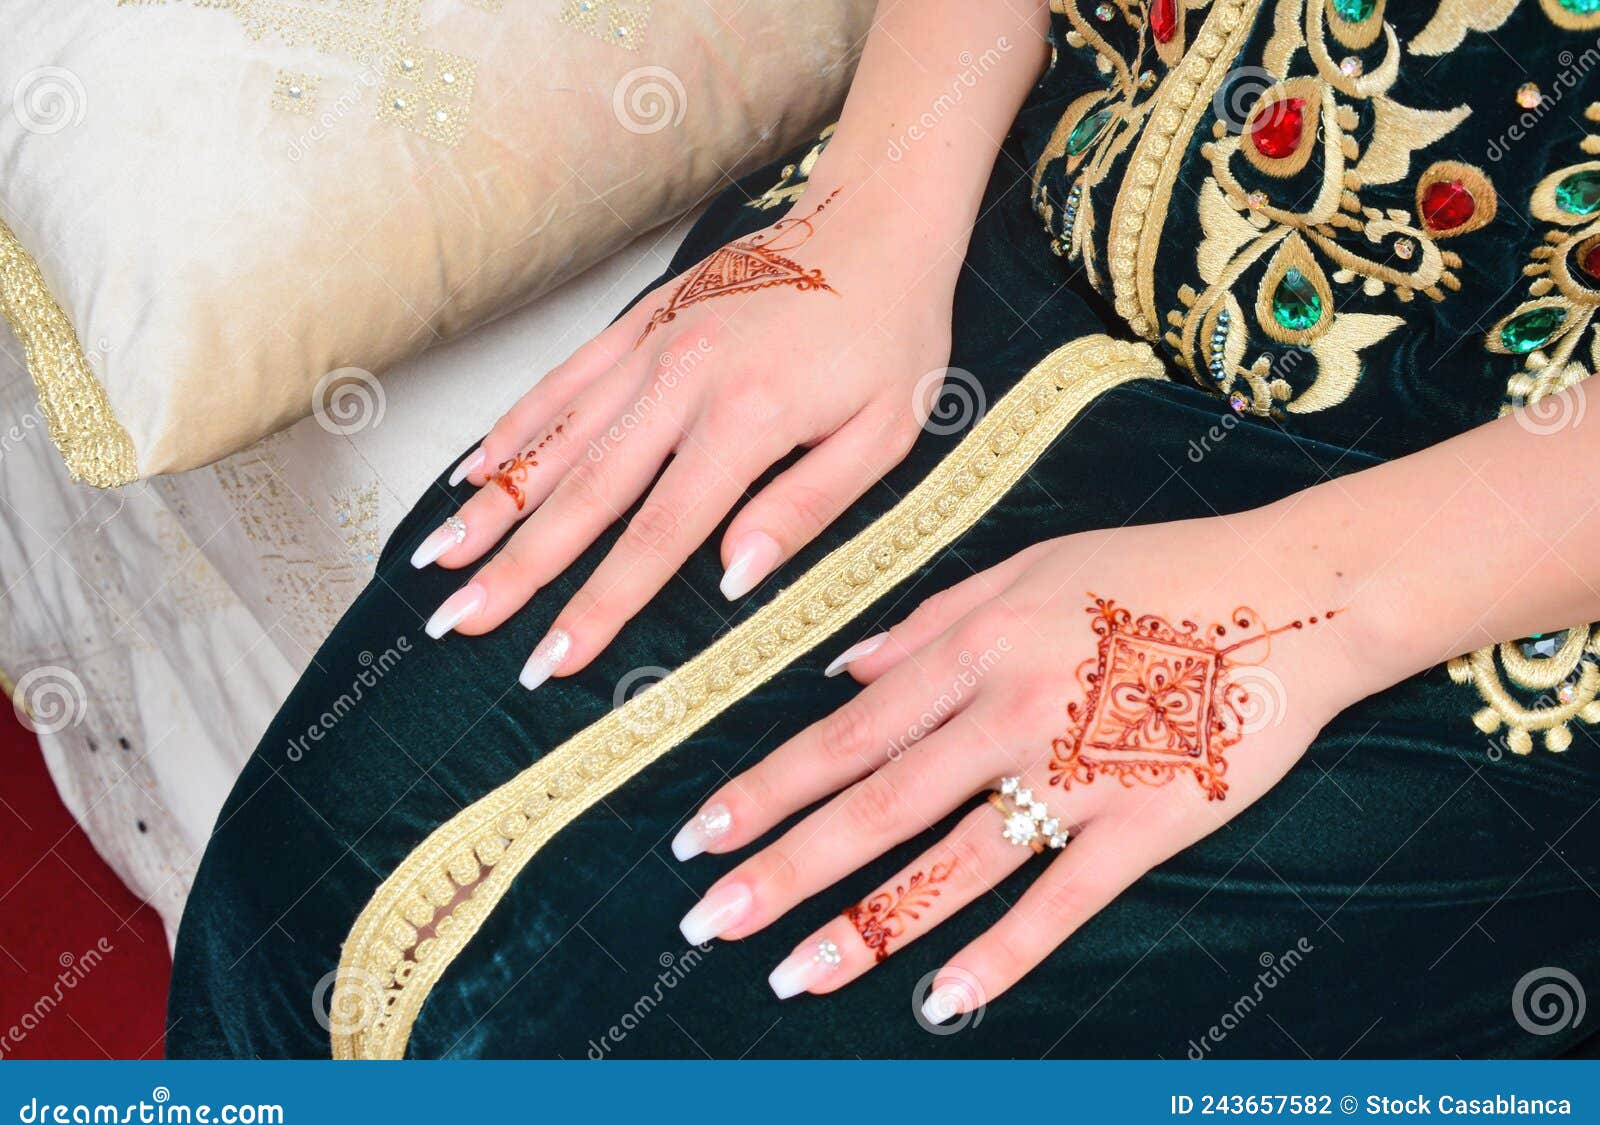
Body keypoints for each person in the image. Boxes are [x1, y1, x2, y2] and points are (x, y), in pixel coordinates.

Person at [169, 0, 1600, 1059]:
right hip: (1006, 195)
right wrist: (876, 194)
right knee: (306, 883)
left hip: (1481, 522)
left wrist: (1308, 603)